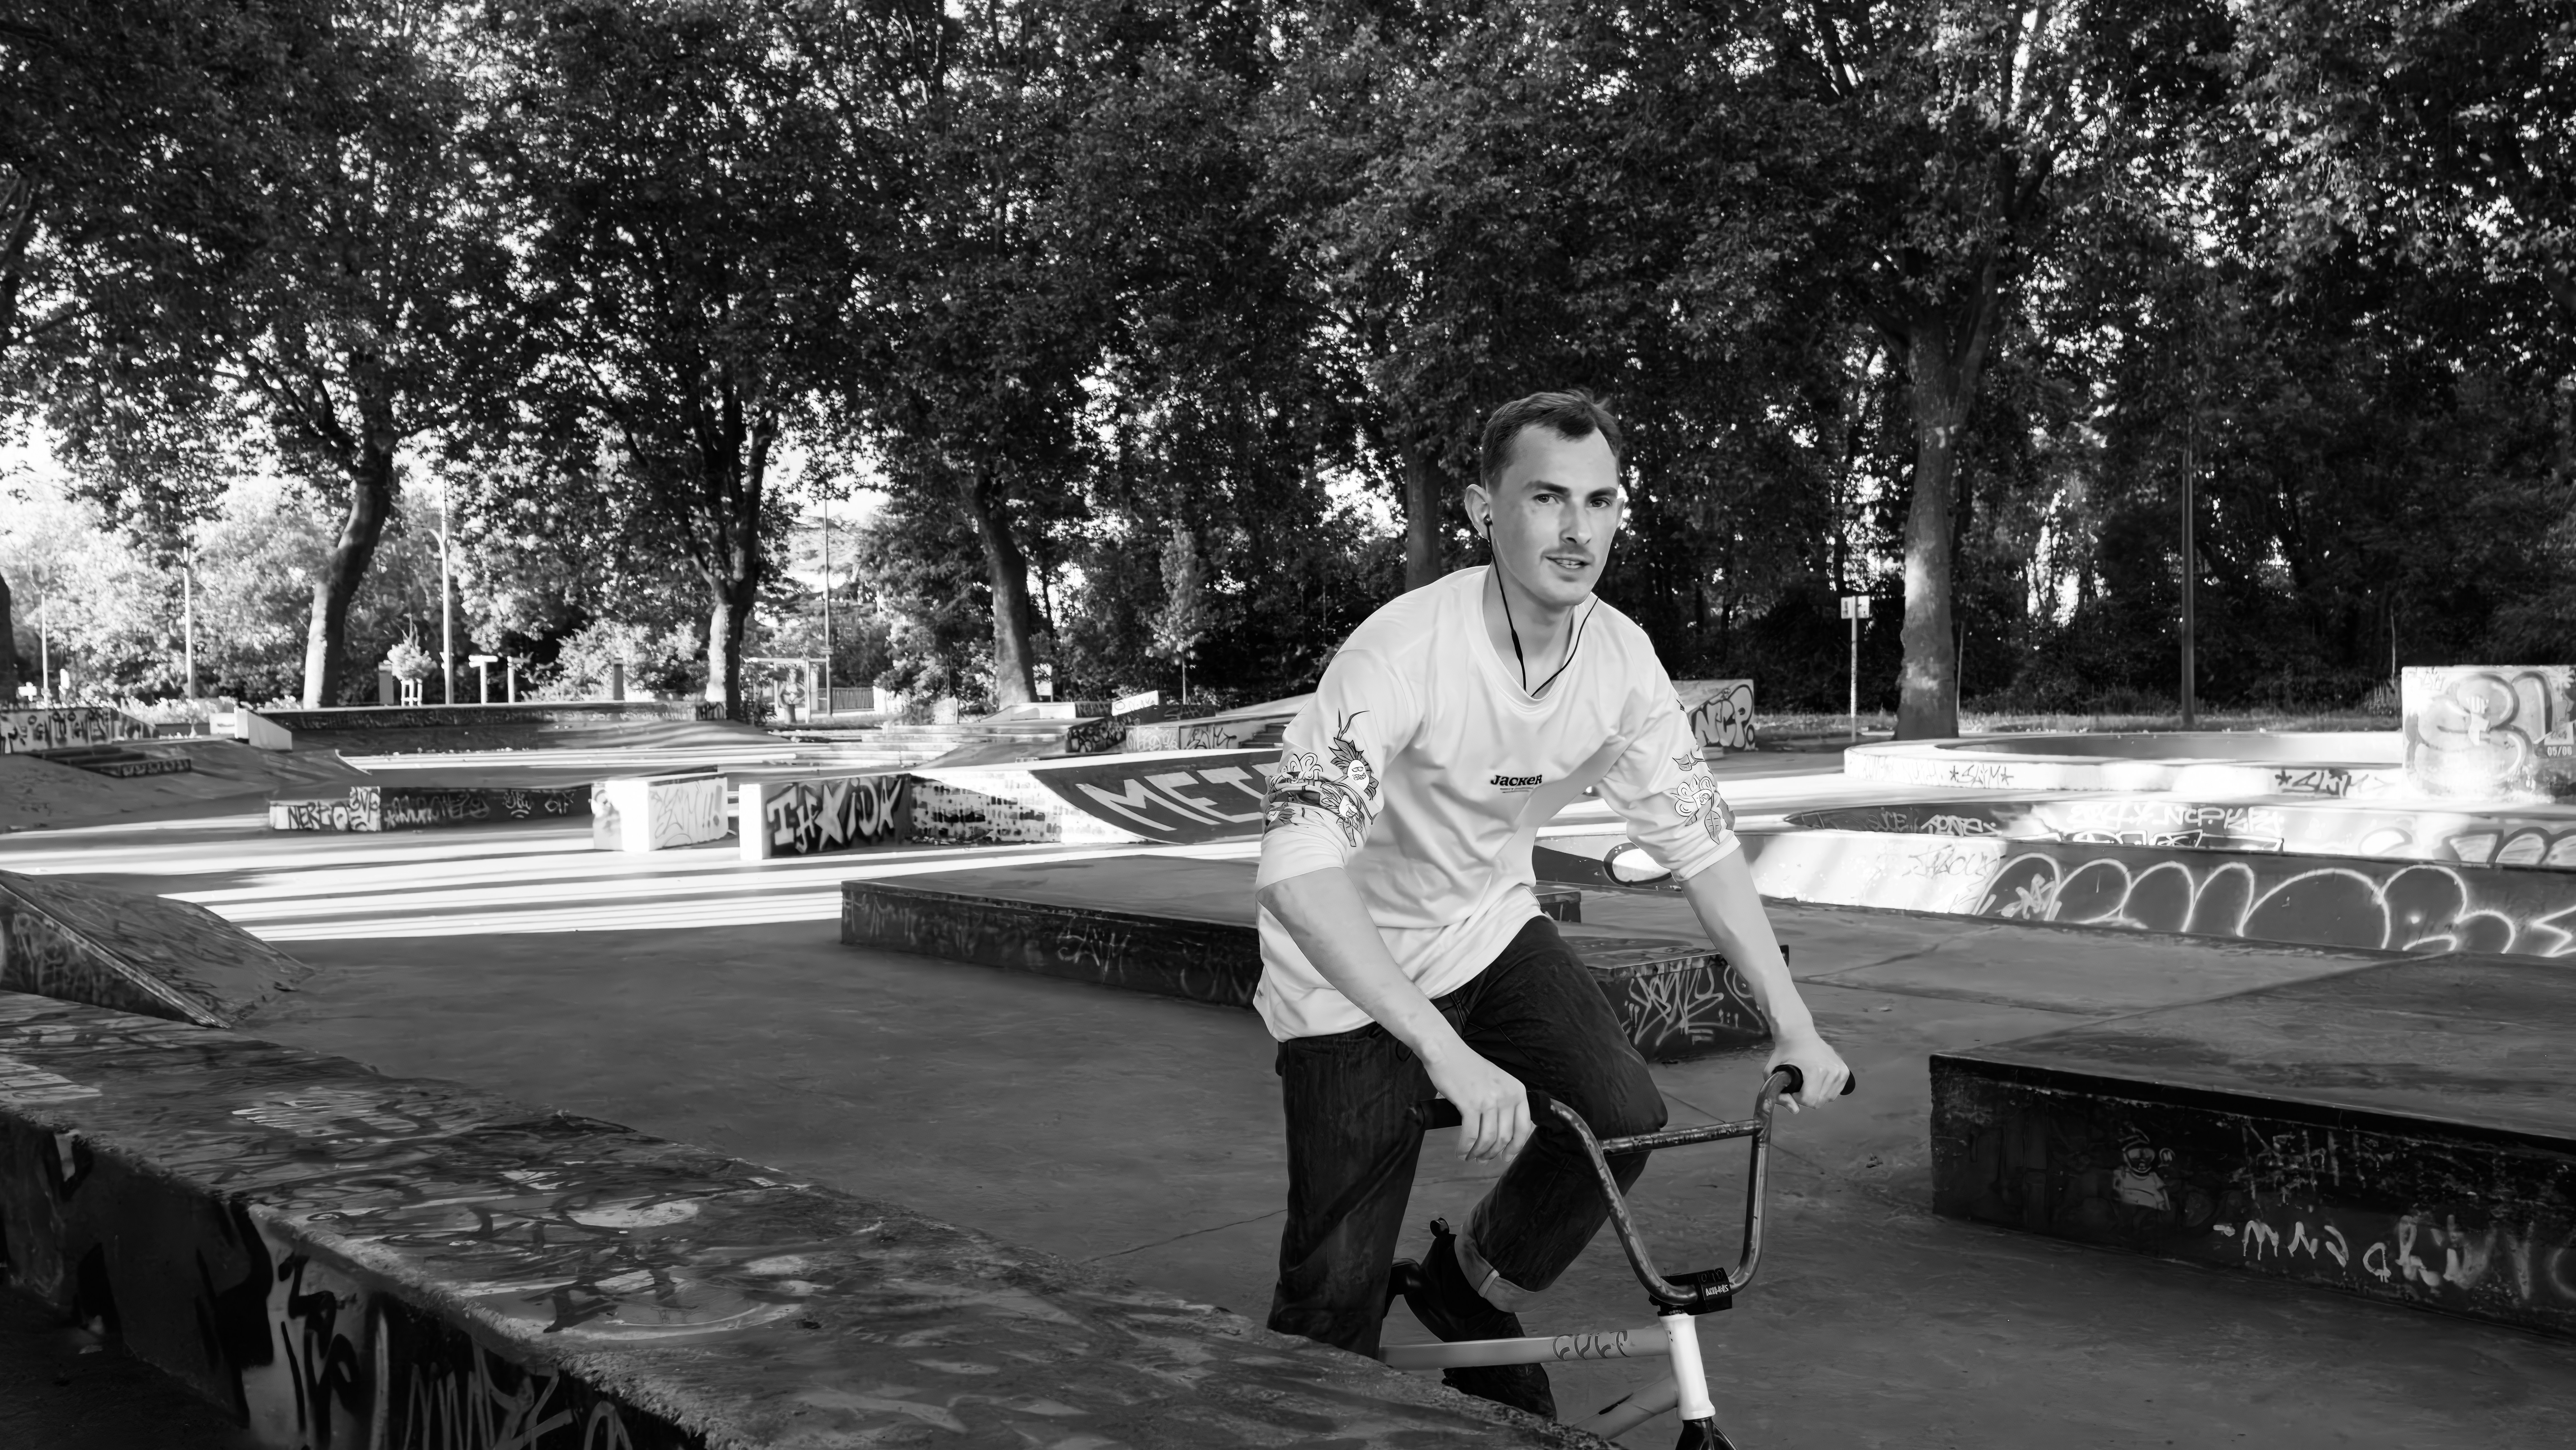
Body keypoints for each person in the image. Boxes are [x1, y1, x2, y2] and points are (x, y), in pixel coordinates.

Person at [1254, 390, 1850, 1418]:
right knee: (1331, 1309)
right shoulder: (1400, 653)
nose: (1578, 531)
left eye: (1602, 502)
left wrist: (1793, 1021)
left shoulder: (1621, 662)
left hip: (1487, 929)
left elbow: (1702, 847)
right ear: (1488, 512)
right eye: (1547, 499)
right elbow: (1298, 868)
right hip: (1346, 974)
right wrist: (1443, 1053)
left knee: (1620, 1114)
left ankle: (1465, 1291)